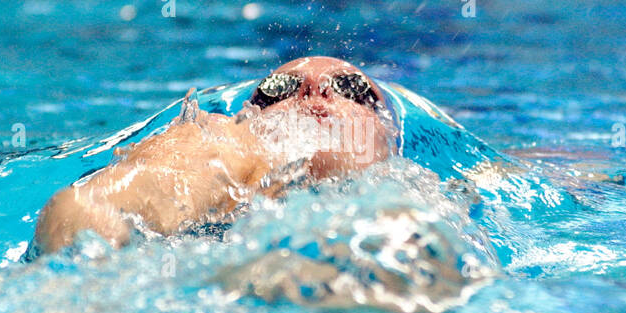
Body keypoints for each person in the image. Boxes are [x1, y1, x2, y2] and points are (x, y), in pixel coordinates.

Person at [32, 56, 396, 255]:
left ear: (389, 139)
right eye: (278, 90)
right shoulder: (224, 144)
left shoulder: (439, 196)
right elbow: (84, 215)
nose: (315, 93)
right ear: (249, 121)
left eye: (352, 89)